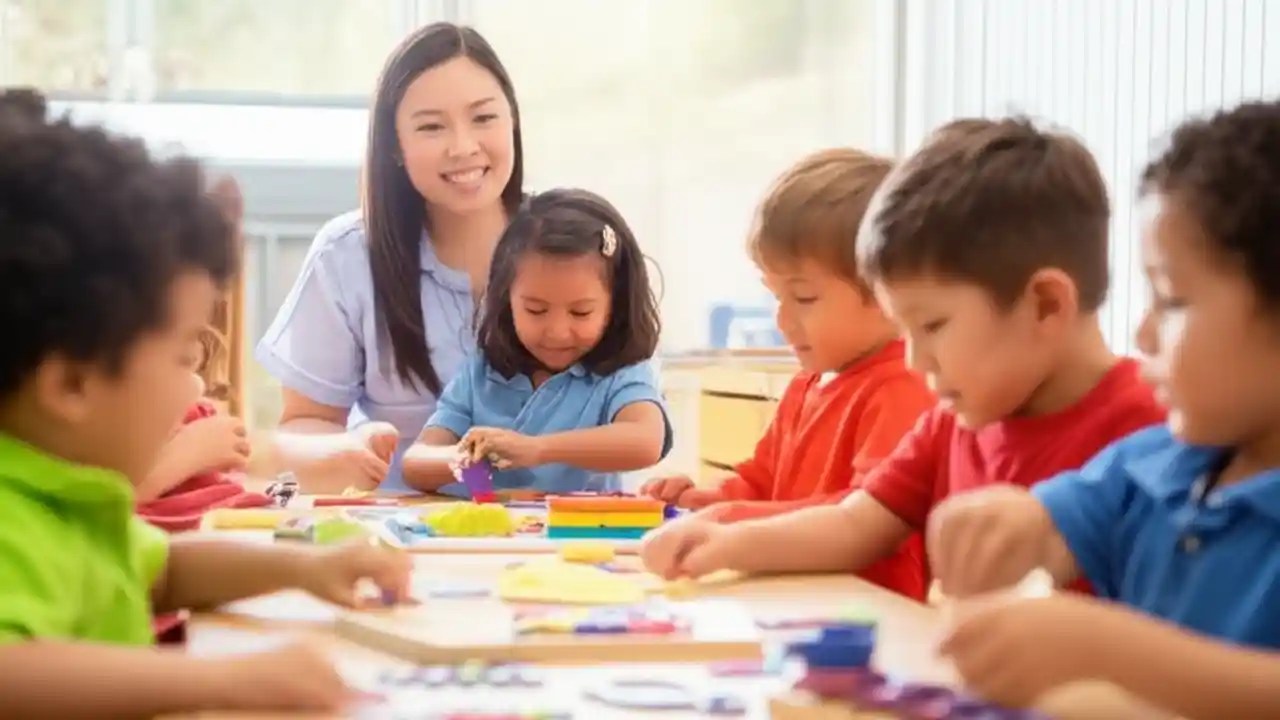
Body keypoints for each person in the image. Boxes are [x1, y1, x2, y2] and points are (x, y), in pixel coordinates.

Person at [0, 89, 410, 717]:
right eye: (179, 356)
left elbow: (164, 571)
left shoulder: (68, 499)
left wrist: (305, 569)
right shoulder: (12, 520)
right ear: (71, 385)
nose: (197, 386)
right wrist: (229, 682)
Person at [640, 118, 1165, 587]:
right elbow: (854, 524)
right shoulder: (952, 423)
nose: (915, 361)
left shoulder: (1160, 432)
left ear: (1046, 304)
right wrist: (722, 540)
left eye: (933, 326)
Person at [926, 101, 1280, 718]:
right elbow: (1049, 529)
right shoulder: (1154, 467)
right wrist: (1015, 525)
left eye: (1171, 300)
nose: (1142, 334)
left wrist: (1113, 653)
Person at [638, 149, 933, 597]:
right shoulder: (809, 383)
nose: (782, 321)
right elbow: (760, 481)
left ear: (885, 290)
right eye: (775, 296)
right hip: (795, 593)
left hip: (867, 610)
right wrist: (702, 500)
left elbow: (864, 515)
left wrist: (728, 522)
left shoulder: (902, 386)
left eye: (804, 298)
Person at [257, 22, 524, 492]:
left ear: (513, 121)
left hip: (564, 529)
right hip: (405, 533)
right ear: (395, 147)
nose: (463, 146)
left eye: (484, 118)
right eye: (431, 126)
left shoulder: (573, 239)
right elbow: (305, 423)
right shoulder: (346, 257)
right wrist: (347, 450)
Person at [408, 188, 670, 493]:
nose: (557, 331)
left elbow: (646, 440)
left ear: (615, 305)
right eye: (536, 310)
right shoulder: (482, 373)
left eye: (581, 312)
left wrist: (537, 449)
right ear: (507, 299)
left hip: (579, 538)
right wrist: (462, 459)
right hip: (487, 537)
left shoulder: (619, 374)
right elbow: (415, 462)